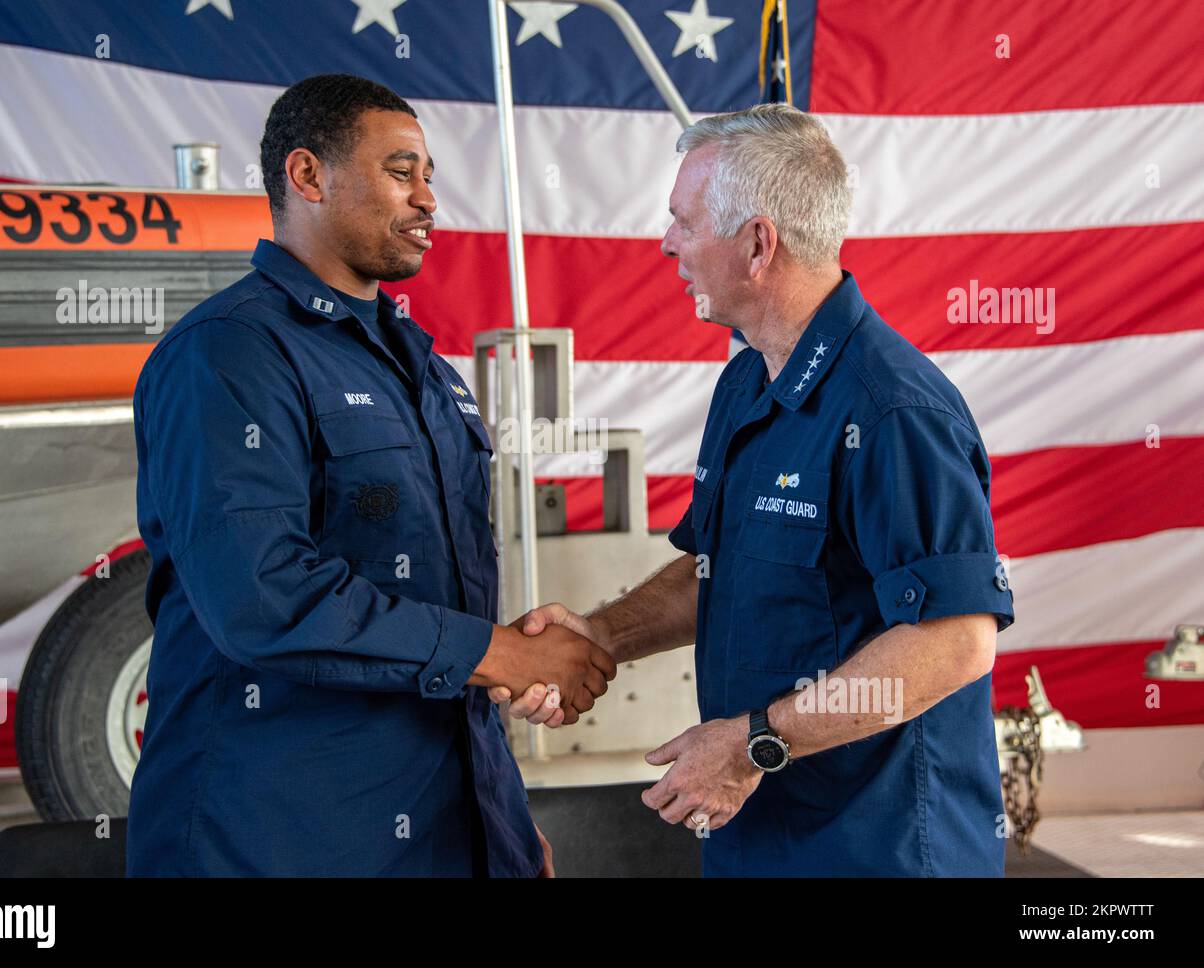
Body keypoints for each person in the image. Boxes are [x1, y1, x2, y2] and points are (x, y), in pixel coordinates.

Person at [493, 103, 1015, 876]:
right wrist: (601, 637)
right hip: (757, 834)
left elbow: (956, 640)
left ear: (757, 243)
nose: (666, 241)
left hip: (881, 850)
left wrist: (753, 744)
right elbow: (721, 570)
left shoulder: (893, 410)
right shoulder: (746, 382)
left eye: (683, 221)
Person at [126, 74, 614, 877]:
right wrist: (497, 653)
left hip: (442, 832)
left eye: (430, 177)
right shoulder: (228, 355)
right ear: (308, 176)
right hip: (276, 841)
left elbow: (442, 616)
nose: (427, 200)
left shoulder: (422, 366)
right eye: (400, 171)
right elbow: (262, 596)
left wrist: (502, 823)